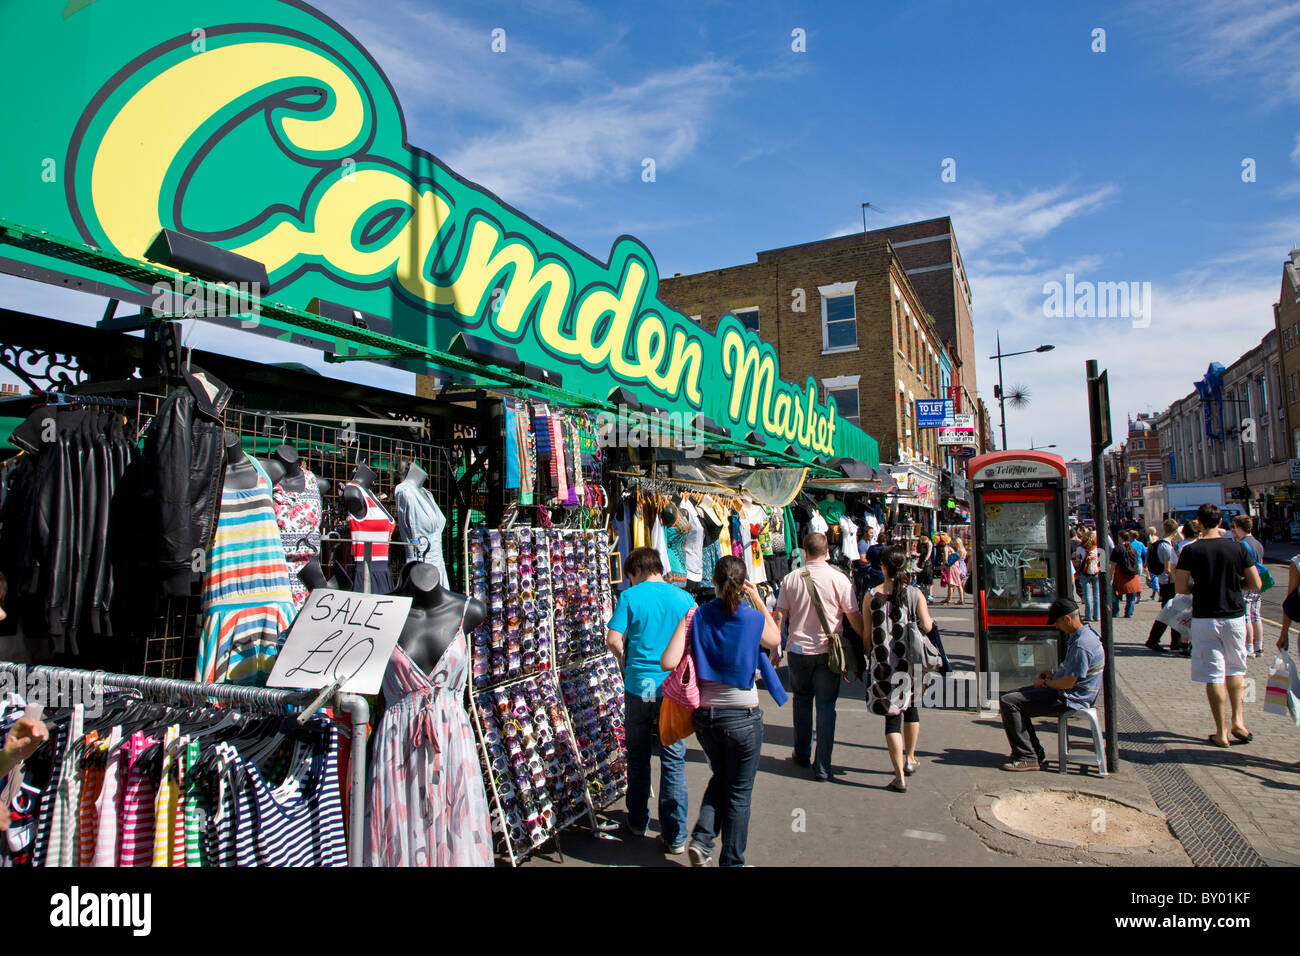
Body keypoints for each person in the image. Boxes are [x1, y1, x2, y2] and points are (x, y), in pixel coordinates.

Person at [660, 555, 783, 867]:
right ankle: (731, 861)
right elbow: (775, 639)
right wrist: (757, 598)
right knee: (739, 791)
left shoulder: (697, 615)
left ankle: (702, 841)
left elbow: (668, 662)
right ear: (742, 585)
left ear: (711, 581)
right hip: (743, 715)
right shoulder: (752, 617)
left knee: (724, 777)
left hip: (706, 717)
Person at [605, 547, 696, 853]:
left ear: (637, 571)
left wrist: (624, 658)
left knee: (639, 755)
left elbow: (613, 640)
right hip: (672, 689)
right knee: (673, 759)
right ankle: (675, 835)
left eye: (630, 577)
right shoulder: (684, 598)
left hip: (639, 686)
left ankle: (637, 819)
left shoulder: (630, 598)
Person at [773, 533, 864, 781]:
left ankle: (802, 752)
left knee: (801, 700)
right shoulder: (840, 579)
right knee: (826, 707)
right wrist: (865, 641)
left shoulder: (791, 578)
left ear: (804, 552)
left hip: (798, 651)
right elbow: (853, 616)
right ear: (827, 553)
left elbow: (780, 615)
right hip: (829, 652)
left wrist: (774, 648)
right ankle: (823, 765)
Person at [1174, 504, 1261, 749]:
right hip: (1234, 616)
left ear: (1199, 522)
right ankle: (1238, 721)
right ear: (1221, 520)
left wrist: (1199, 589)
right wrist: (1235, 587)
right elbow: (1255, 582)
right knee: (1236, 669)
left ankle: (1221, 732)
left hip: (1205, 617)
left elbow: (1181, 587)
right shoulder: (1238, 547)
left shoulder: (1191, 550)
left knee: (1214, 675)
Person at [999, 596, 1105, 770]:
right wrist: (1053, 676)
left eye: (1057, 622)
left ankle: (1027, 755)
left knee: (1009, 702)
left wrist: (1047, 683)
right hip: (1071, 693)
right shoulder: (1086, 635)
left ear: (1067, 619)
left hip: (1070, 698)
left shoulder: (1082, 645)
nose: (1056, 626)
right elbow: (1069, 672)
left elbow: (1068, 683)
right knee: (1014, 696)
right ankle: (1033, 751)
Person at [864, 547, 934, 792]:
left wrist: (870, 656)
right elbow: (927, 625)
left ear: (883, 567)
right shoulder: (914, 594)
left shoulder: (871, 595)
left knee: (891, 718)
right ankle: (911, 758)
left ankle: (898, 776)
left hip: (883, 664)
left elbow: (866, 635)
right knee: (912, 709)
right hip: (910, 662)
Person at [1145, 518, 1183, 652]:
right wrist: (1178, 580)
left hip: (1164, 582)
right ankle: (1154, 639)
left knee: (1172, 612)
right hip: (1169, 583)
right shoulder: (1167, 546)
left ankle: (1175, 642)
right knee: (1169, 613)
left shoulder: (1160, 543)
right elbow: (1168, 568)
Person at [1230, 515, 1266, 658]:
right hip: (1258, 582)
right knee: (1256, 615)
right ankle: (1259, 646)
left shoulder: (1243, 544)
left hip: (1247, 581)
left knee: (1246, 616)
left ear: (1239, 528)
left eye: (1234, 528)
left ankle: (1249, 647)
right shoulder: (1257, 543)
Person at [1110, 530, 1142, 618]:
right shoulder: (1132, 548)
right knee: (1131, 596)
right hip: (1132, 576)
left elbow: (1113, 564)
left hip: (1121, 575)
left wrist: (1110, 575)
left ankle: (1115, 612)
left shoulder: (1117, 549)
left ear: (1120, 537)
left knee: (1115, 594)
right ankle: (1129, 613)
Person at [1077, 531, 1101, 622]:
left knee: (1087, 594)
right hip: (1096, 573)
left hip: (1084, 573)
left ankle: (1088, 616)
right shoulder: (1099, 548)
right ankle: (1097, 615)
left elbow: (1077, 561)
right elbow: (1102, 563)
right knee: (1096, 594)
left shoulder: (1080, 549)